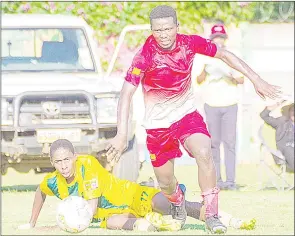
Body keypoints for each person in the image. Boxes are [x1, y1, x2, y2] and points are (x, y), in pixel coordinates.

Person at [105, 5, 281, 234]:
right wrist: (121, 134)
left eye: (168, 29)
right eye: (158, 30)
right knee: (166, 181)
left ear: (177, 27)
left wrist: (257, 80)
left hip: (186, 115)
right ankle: (177, 202)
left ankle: (211, 215)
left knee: (205, 150)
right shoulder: (144, 56)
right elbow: (126, 93)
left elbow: (224, 54)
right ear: (151, 31)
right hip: (157, 126)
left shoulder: (189, 43)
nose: (164, 35)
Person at [18, 139, 256, 232]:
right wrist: (32, 223)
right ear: (52, 163)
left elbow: (89, 207)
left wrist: (63, 226)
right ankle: (154, 225)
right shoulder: (53, 181)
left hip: (131, 195)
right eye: (57, 162)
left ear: (74, 157)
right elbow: (40, 192)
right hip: (111, 212)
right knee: (113, 223)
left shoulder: (86, 164)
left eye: (66, 160)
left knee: (168, 206)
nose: (63, 166)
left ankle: (224, 218)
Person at [196, 24, 244, 190]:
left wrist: (231, 74)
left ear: (225, 39)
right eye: (216, 38)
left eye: (221, 38)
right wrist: (205, 69)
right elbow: (199, 80)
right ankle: (217, 181)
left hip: (230, 104)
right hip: (211, 104)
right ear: (211, 39)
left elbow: (241, 79)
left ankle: (231, 181)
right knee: (214, 143)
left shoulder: (232, 56)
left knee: (230, 143)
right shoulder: (205, 56)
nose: (219, 41)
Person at [260, 100, 294, 172]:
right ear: (289, 112)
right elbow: (263, 115)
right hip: (288, 148)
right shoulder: (281, 122)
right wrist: (277, 104)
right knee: (290, 149)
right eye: (292, 110)